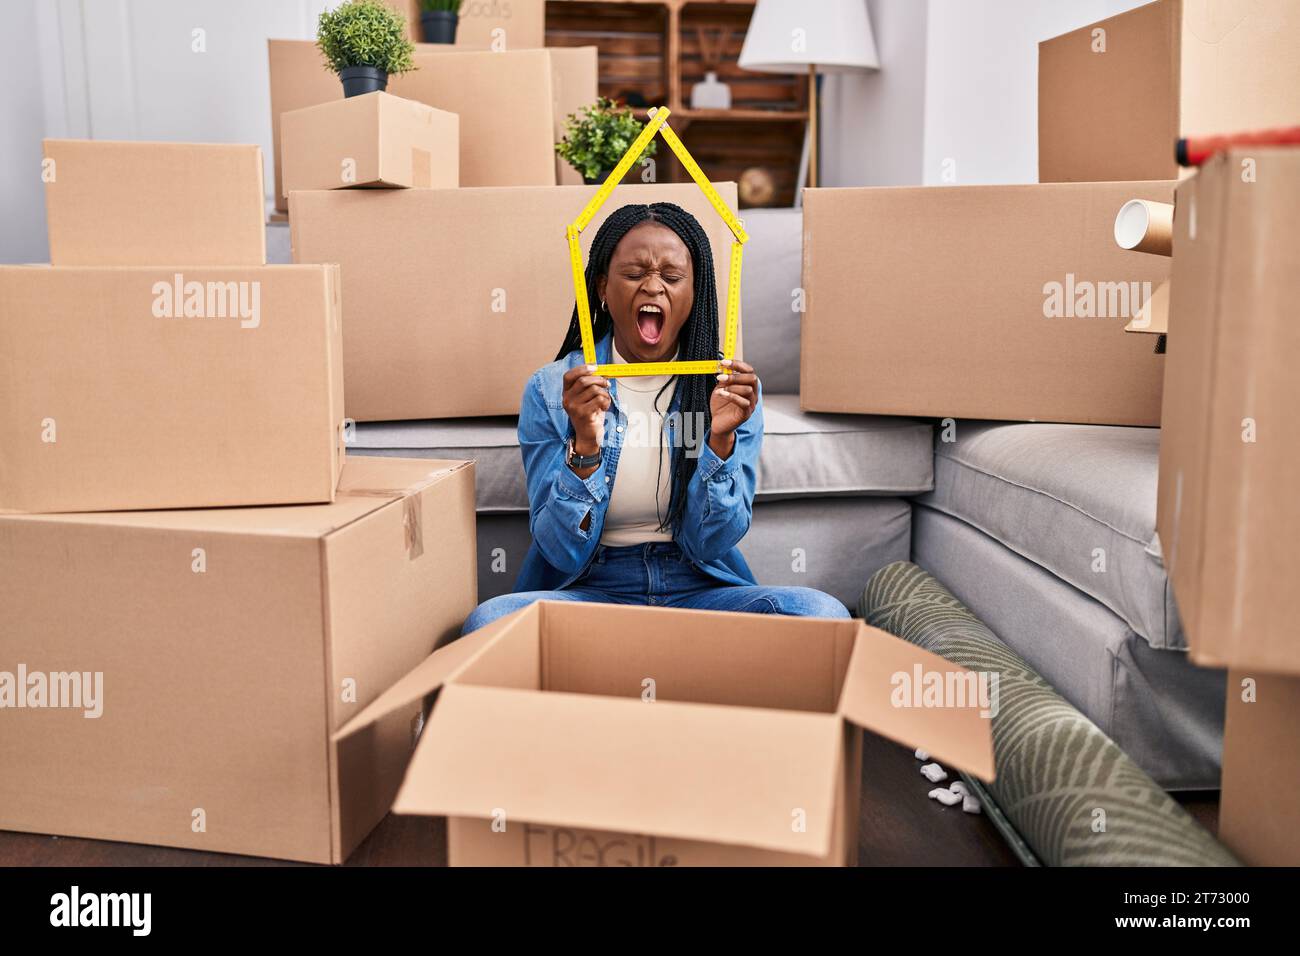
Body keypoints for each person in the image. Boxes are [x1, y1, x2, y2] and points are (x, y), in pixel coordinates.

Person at [461, 202, 848, 633]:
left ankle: (637, 667)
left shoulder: (726, 390)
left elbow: (713, 541)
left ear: (694, 293)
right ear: (603, 289)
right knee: (488, 623)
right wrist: (585, 448)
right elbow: (559, 551)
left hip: (697, 588)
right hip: (590, 591)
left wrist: (719, 442)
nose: (653, 287)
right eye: (634, 274)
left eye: (672, 276)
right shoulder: (553, 391)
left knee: (821, 616)